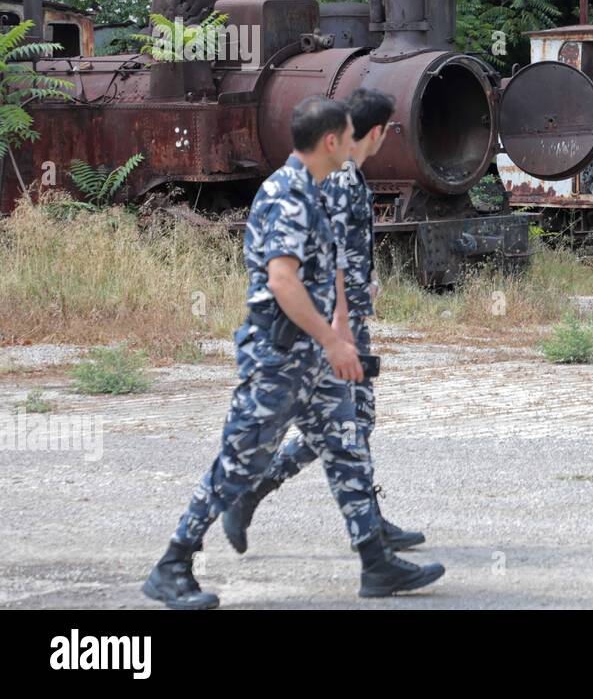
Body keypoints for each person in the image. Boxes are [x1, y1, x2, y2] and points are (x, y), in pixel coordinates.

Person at [142, 95, 443, 609]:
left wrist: (337, 336)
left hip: (315, 358)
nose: (356, 143)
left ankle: (375, 561)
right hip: (279, 357)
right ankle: (172, 563)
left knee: (347, 447)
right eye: (349, 135)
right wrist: (331, 338)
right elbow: (283, 280)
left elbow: (327, 271)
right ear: (331, 141)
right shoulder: (286, 195)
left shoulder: (317, 190)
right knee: (239, 463)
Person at [222, 88, 426, 553]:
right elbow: (321, 252)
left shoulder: (347, 176)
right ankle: (255, 490)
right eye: (384, 131)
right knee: (344, 422)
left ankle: (368, 523)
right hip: (336, 322)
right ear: (372, 132)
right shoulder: (338, 181)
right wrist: (339, 322)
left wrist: (364, 283)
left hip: (348, 313)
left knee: (353, 422)